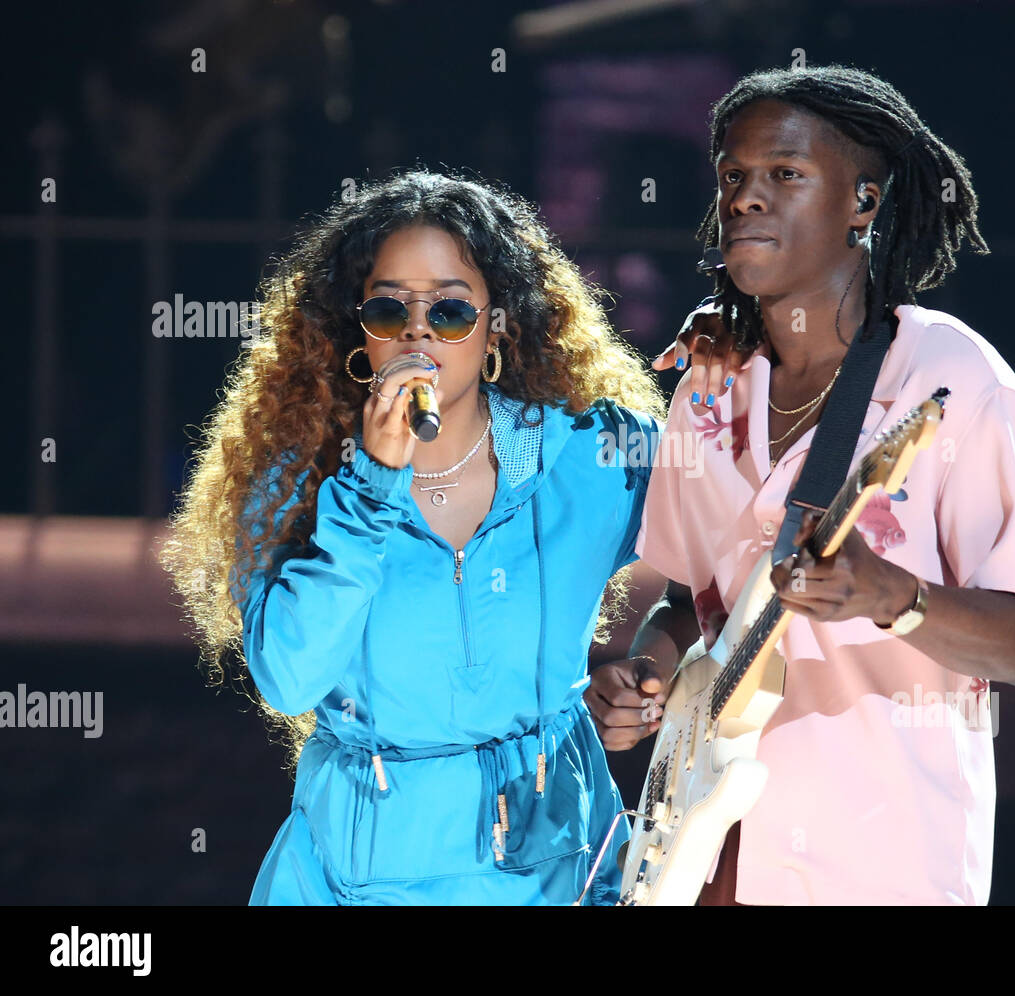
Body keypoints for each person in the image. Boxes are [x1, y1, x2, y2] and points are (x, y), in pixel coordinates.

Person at [160, 168, 734, 904]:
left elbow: (725, 554)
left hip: (560, 869)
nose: (418, 331)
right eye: (388, 308)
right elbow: (289, 678)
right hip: (358, 879)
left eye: (453, 310)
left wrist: (650, 668)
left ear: (497, 325)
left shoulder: (588, 457)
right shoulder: (295, 478)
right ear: (358, 331)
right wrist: (369, 483)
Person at [587, 65, 1015, 905]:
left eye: (785, 174)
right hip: (710, 856)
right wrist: (643, 677)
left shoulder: (952, 378)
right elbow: (686, 601)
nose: (746, 199)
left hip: (882, 857)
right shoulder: (706, 386)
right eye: (733, 176)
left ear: (863, 204)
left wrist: (892, 594)